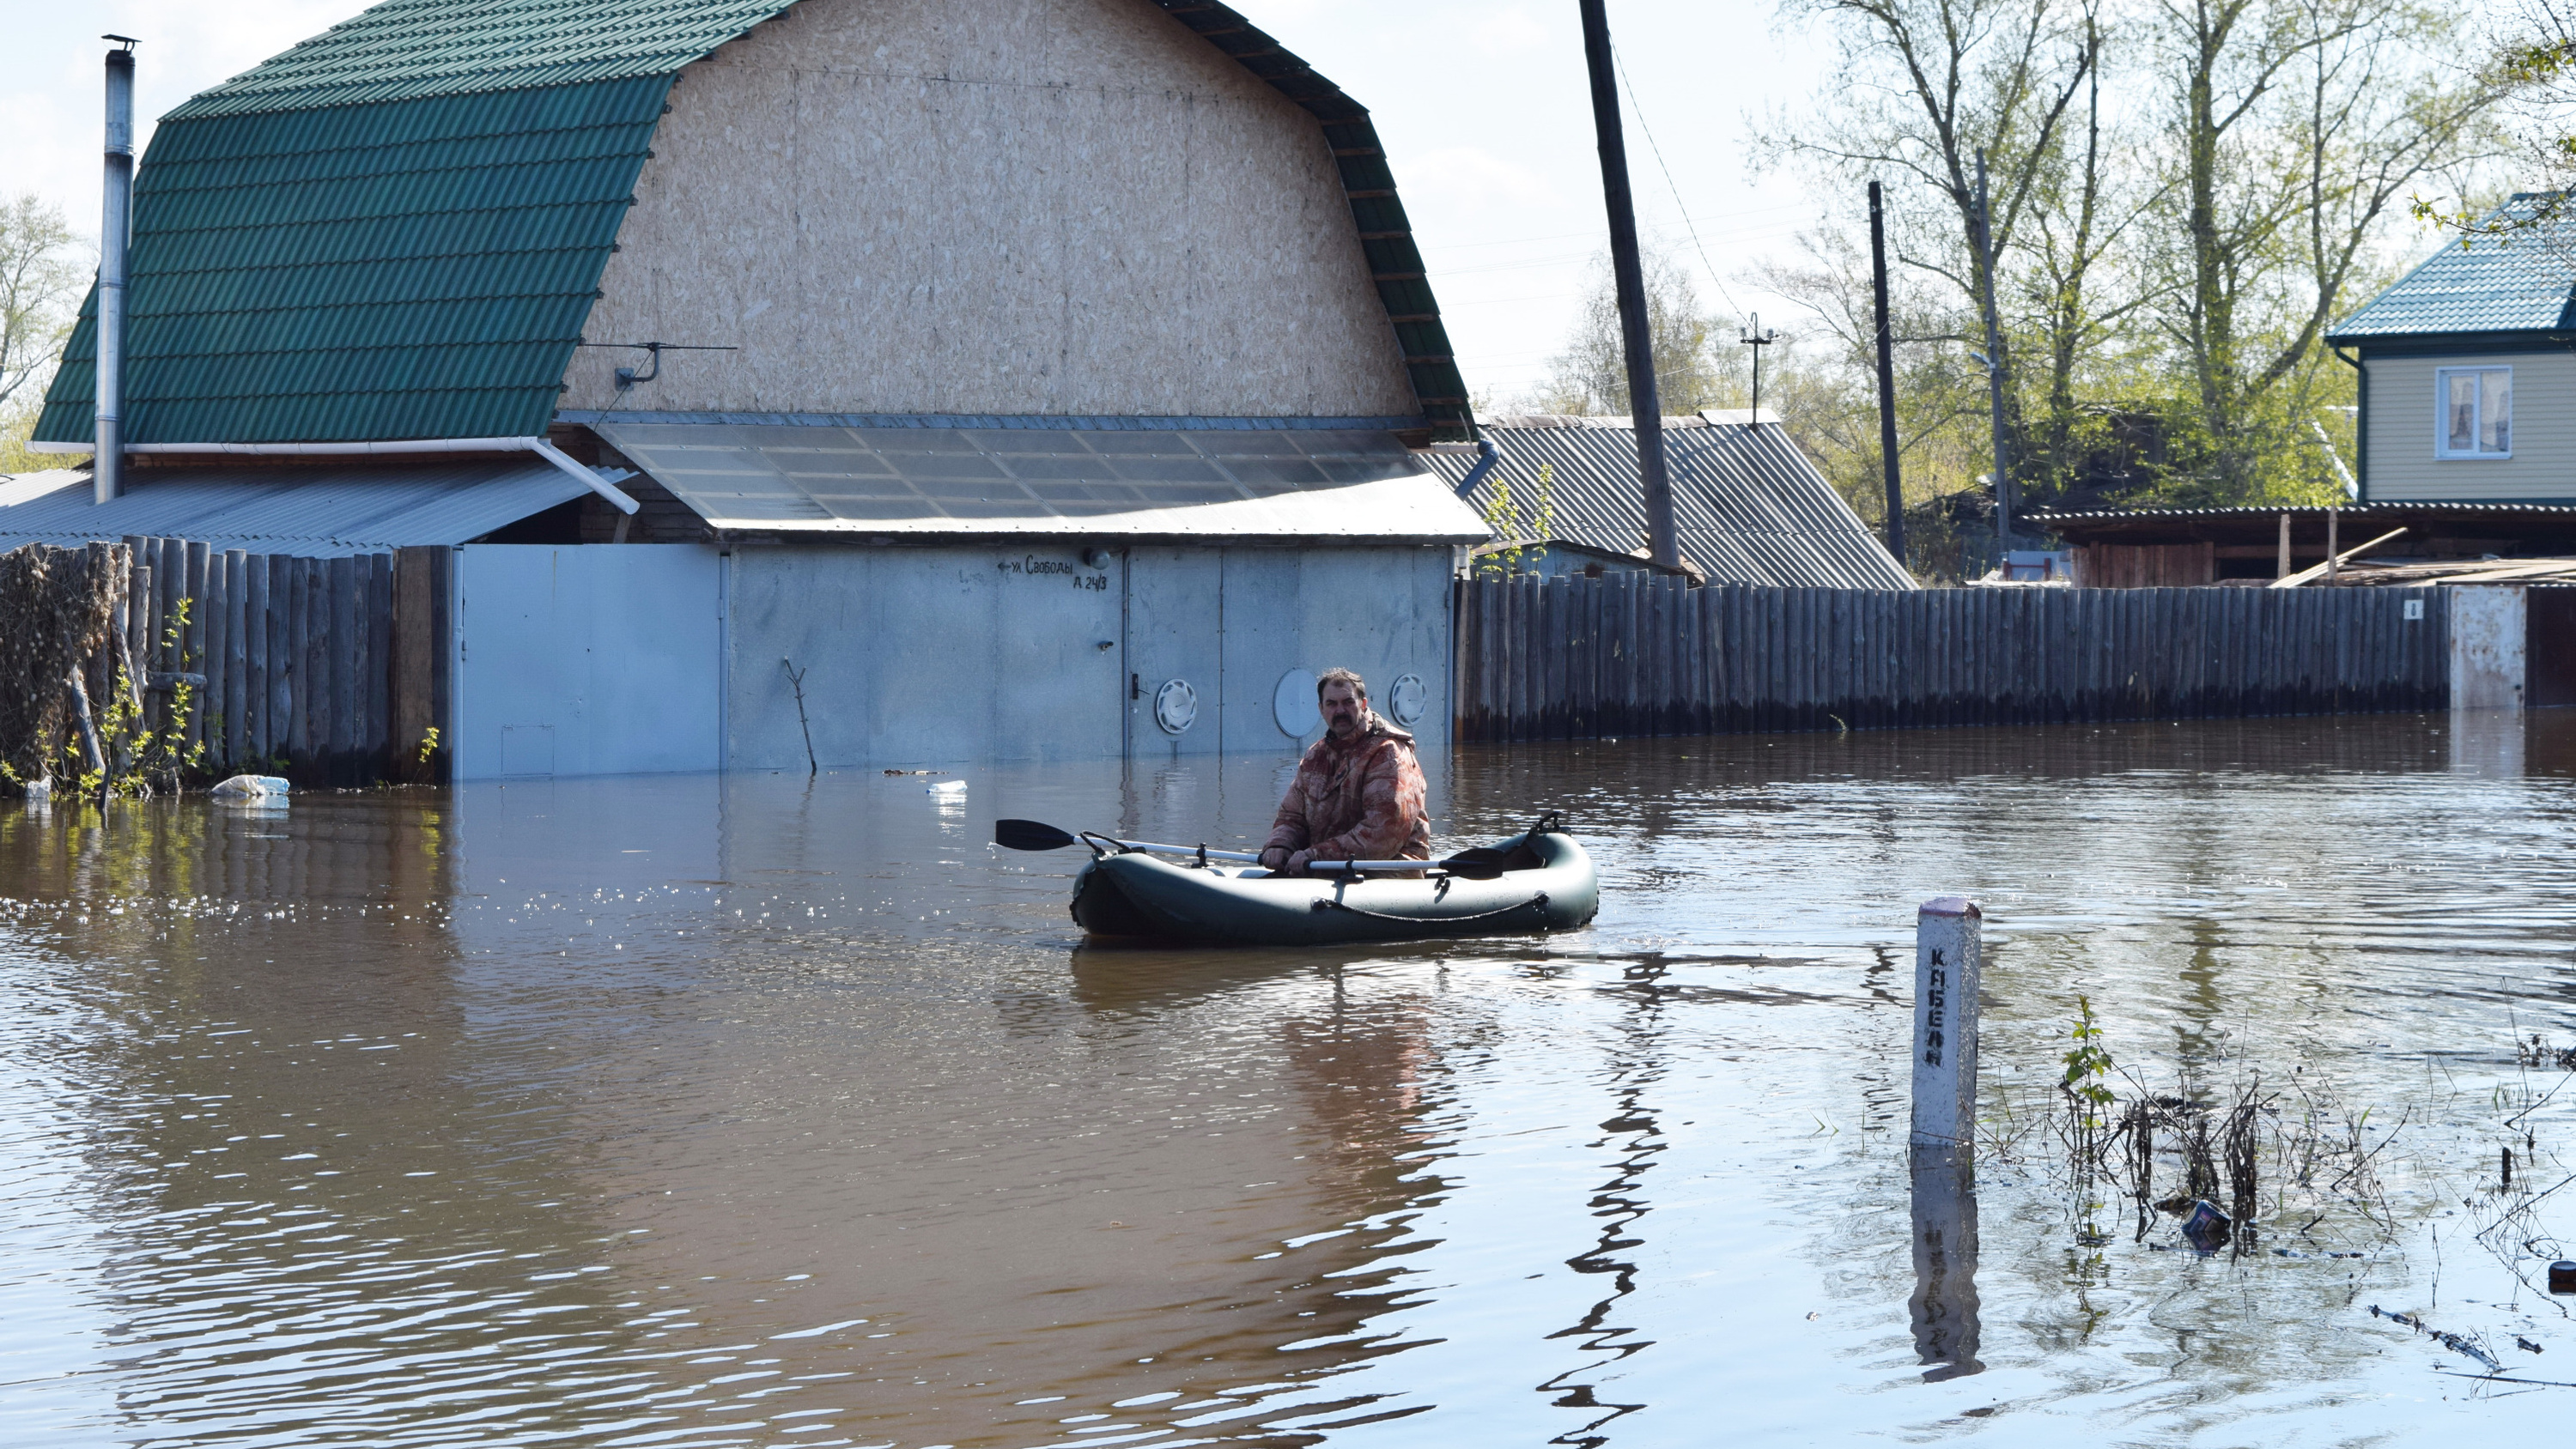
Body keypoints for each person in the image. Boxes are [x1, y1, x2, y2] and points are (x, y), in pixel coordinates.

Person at [1259, 668, 1430, 874]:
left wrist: (1316, 855)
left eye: (1348, 702)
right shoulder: (1315, 756)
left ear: (1363, 704)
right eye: (1332, 704)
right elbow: (1291, 817)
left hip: (1389, 868)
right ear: (1321, 709)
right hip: (1326, 867)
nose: (1340, 711)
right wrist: (1280, 845)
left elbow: (1383, 833)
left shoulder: (1389, 753)